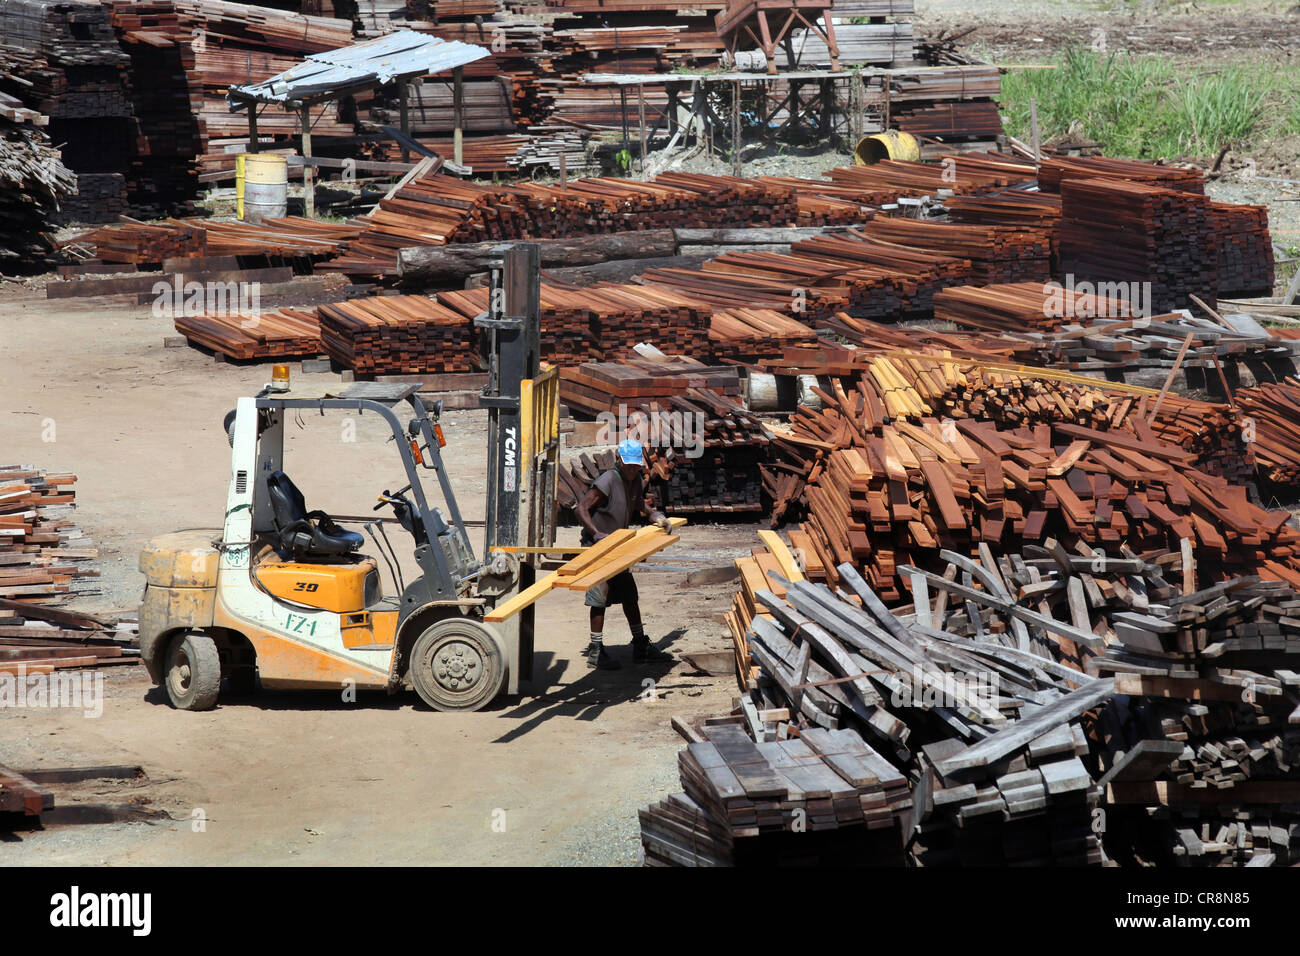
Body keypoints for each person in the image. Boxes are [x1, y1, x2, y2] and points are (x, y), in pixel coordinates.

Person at [574, 439, 674, 670]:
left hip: (618, 547)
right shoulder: (608, 480)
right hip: (597, 548)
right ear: (620, 461)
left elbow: (639, 504)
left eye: (636, 466)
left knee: (629, 595)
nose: (632, 470)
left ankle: (639, 644)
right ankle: (596, 651)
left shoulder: (636, 480)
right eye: (628, 466)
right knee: (599, 598)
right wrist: (596, 533)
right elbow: (582, 508)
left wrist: (655, 516)